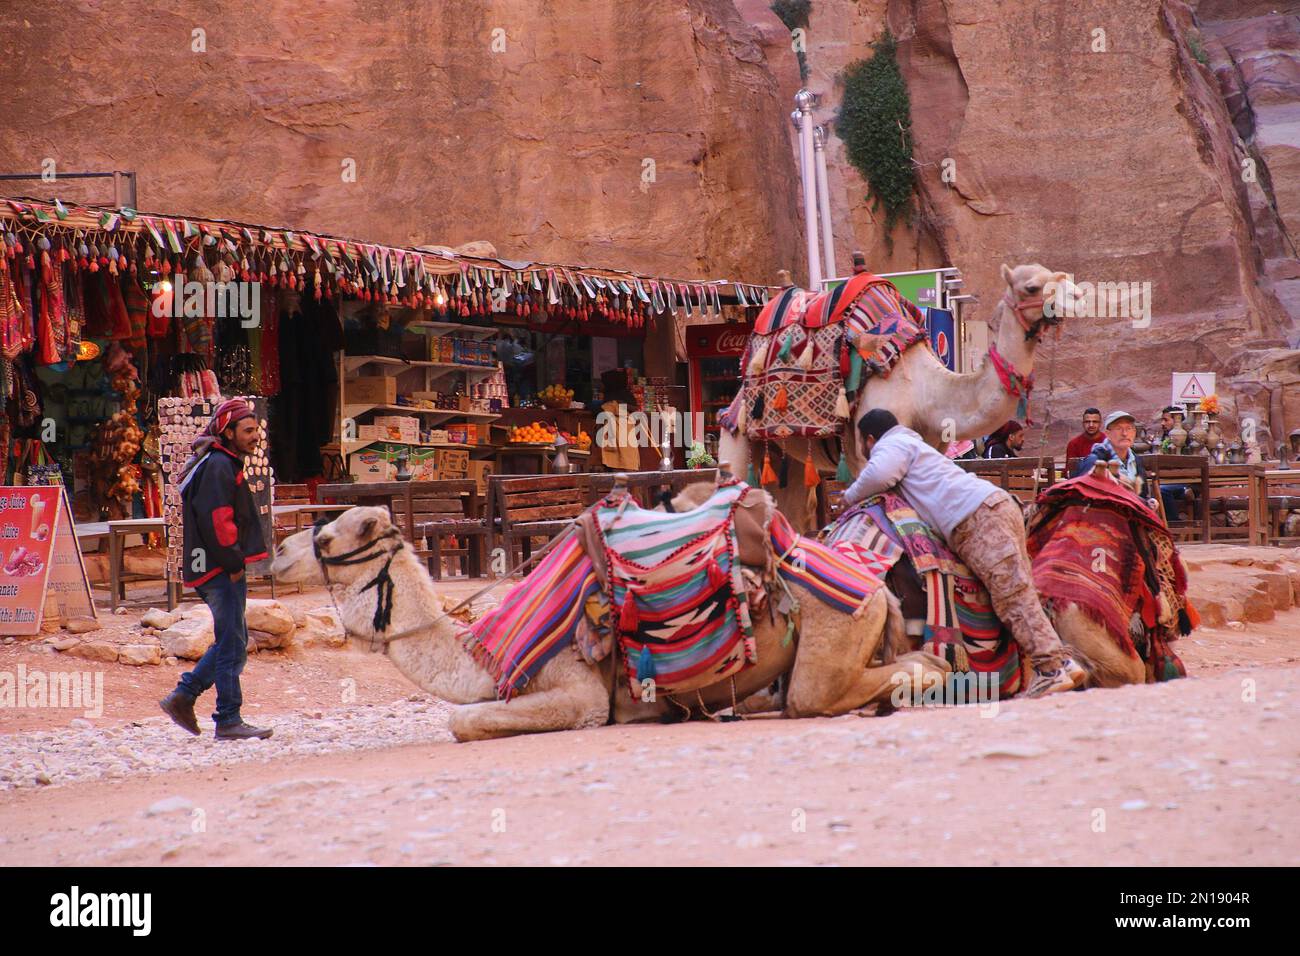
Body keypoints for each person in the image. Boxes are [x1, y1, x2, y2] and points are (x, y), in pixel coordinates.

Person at [842, 409, 1085, 698]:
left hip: (975, 517)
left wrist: (847, 496)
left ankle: (1050, 669)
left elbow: (879, 475)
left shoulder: (894, 445)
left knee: (1010, 594)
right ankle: (1062, 662)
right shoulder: (915, 445)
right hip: (991, 507)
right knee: (1018, 590)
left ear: (870, 440)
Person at [159, 399, 273, 740]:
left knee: (232, 641)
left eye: (257, 430)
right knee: (231, 643)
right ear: (228, 431)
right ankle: (227, 719)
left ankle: (185, 696)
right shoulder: (219, 465)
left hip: (215, 566)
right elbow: (217, 520)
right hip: (219, 569)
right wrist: (233, 562)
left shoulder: (219, 462)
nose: (255, 437)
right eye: (248, 431)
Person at [1072, 410, 1144, 495]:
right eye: (1119, 428)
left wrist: (1151, 501)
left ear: (1134, 432)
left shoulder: (1136, 460)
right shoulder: (1095, 460)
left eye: (1129, 428)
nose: (1125, 433)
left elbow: (1143, 495)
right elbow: (1081, 495)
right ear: (1107, 434)